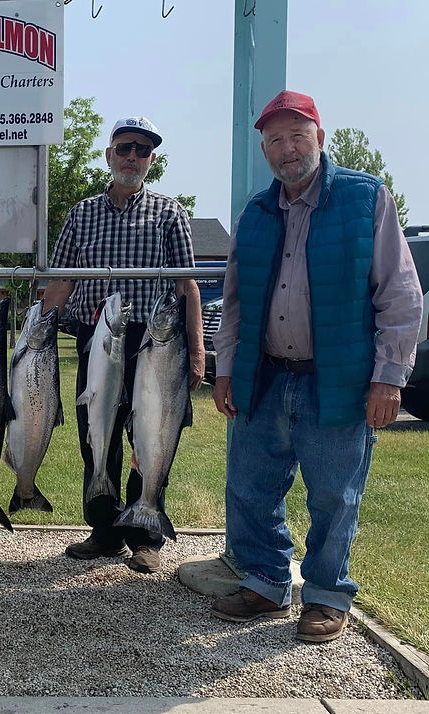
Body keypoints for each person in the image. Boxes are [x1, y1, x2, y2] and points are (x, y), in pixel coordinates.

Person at [210, 91, 423, 642]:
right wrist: (225, 369)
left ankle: (326, 594)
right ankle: (266, 580)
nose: (288, 149)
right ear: (264, 150)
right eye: (275, 140)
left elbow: (401, 296)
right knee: (251, 488)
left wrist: (389, 377)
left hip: (339, 382)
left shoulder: (365, 198)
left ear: (320, 139)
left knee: (333, 495)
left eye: (298, 136)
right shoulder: (254, 214)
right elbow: (234, 302)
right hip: (264, 376)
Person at [43, 116, 205, 574]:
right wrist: (39, 339)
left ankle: (144, 534)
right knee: (97, 433)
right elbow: (61, 281)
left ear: (151, 160)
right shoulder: (82, 214)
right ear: (109, 155)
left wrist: (196, 353)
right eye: (125, 148)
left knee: (151, 434)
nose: (133, 156)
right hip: (97, 341)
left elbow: (187, 285)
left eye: (142, 150)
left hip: (154, 344)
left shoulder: (170, 213)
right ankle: (104, 531)